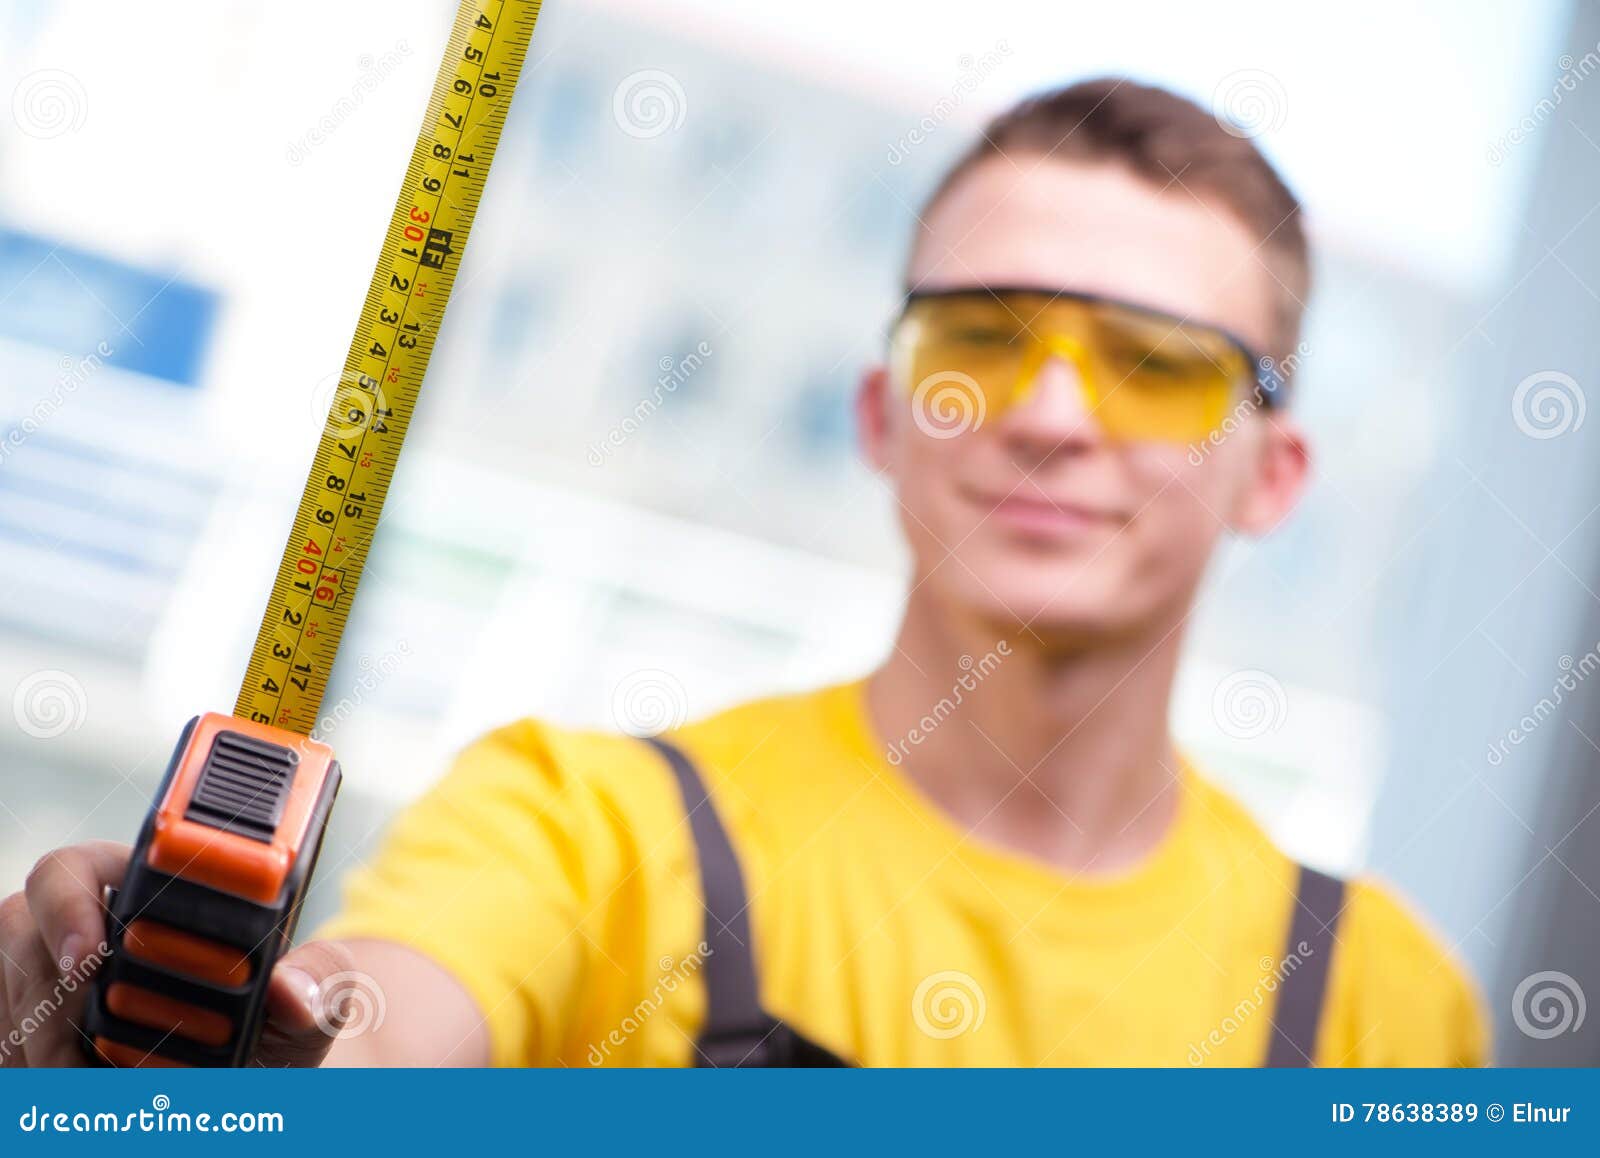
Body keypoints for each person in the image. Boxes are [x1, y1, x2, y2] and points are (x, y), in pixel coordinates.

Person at [0, 78, 1486, 1068]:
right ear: (882, 412)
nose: (1045, 413)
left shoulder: (1380, 1003)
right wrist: (233, 1044)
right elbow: (373, 1025)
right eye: (980, 338)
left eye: (1154, 364)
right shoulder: (586, 830)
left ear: (1273, 474)